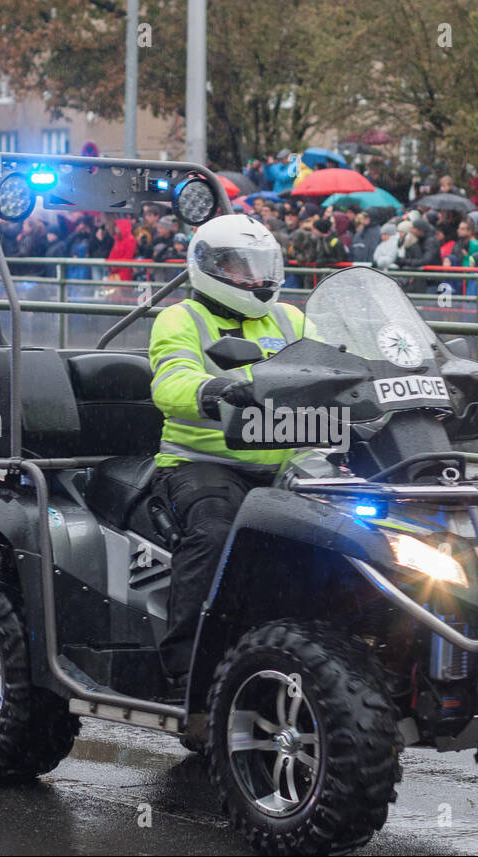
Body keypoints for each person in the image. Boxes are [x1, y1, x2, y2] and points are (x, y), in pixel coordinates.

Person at [148, 214, 305, 685]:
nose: (253, 279)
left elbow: (336, 368)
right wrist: (213, 390)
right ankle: (187, 670)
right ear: (209, 267)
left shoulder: (291, 318)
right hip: (201, 465)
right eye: (239, 268)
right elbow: (170, 378)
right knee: (216, 534)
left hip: (285, 464)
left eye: (260, 267)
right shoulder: (182, 318)